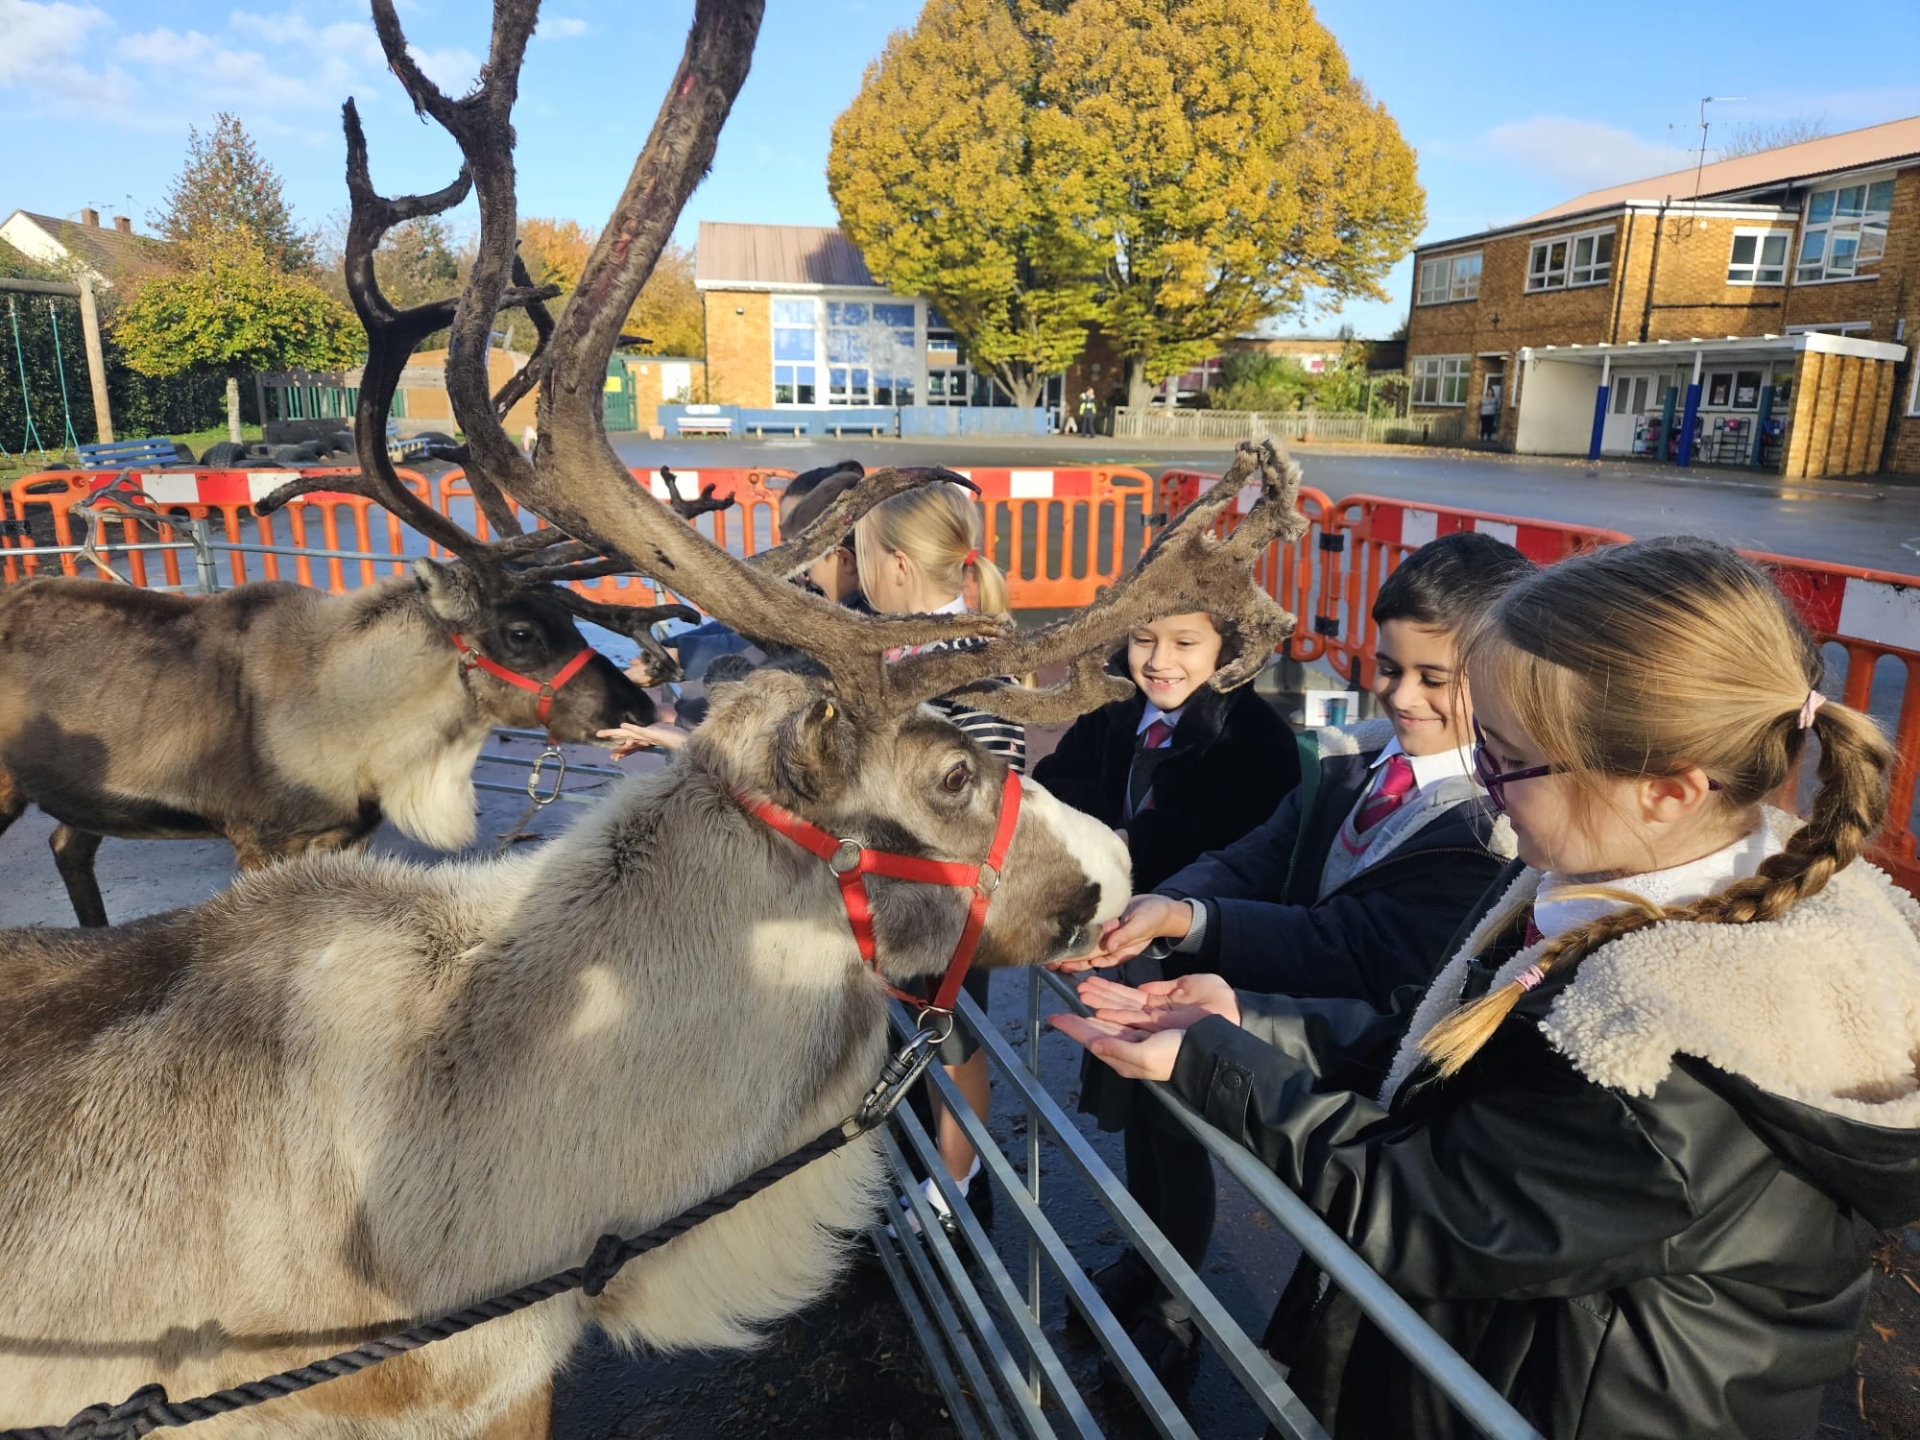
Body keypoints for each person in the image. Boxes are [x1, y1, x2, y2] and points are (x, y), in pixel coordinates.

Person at [1055, 536, 1920, 1439]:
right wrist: (1246, 1018)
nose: (1486, 785)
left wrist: (1214, 1064)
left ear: (1665, 790)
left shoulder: (1676, 1055)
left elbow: (1428, 1206)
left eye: (1504, 758)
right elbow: (1458, 1043)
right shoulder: (1613, 885)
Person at [1054, 531, 1533, 1371]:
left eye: (1435, 679)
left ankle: (1217, 1322)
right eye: (1389, 668)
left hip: (1355, 1047)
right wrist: (1167, 903)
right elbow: (1263, 852)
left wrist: (1195, 921)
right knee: (1166, 1124)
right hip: (1257, 1001)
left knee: (1328, 1210)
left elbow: (1350, 942)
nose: (1404, 696)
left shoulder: (1492, 832)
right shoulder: (1354, 758)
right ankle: (1159, 1276)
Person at [856, 480, 1022, 1228]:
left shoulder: (959, 659)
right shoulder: (916, 646)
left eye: (860, 558)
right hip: (911, 882)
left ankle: (955, 1192)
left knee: (951, 1041)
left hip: (949, 890)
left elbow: (987, 780)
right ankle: (941, 1173)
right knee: (929, 1032)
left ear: (894, 566)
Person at [600, 461, 867, 753]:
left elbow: (767, 658)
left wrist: (683, 715)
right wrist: (672, 655)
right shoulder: (812, 589)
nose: (792, 557)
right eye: (788, 540)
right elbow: (748, 631)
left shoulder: (839, 620)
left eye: (804, 546)